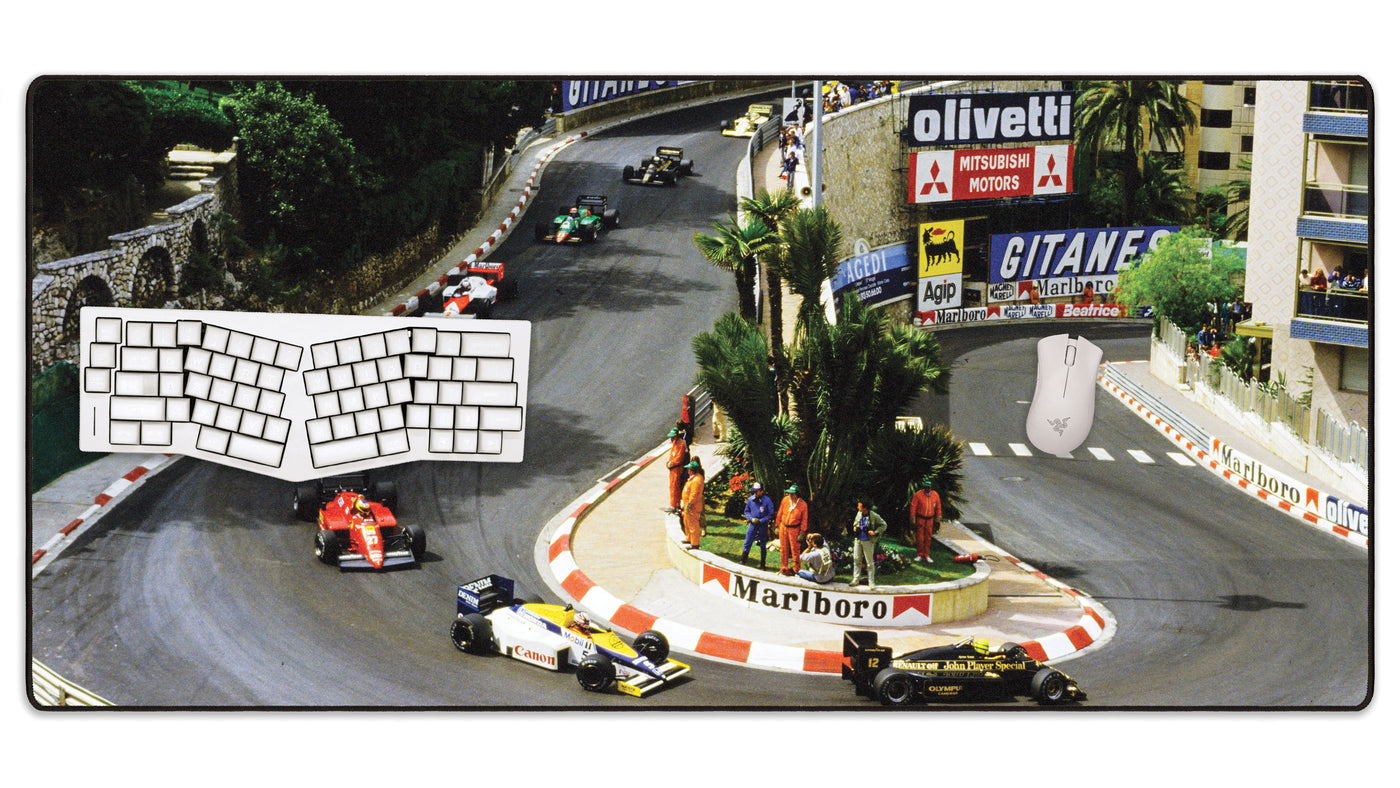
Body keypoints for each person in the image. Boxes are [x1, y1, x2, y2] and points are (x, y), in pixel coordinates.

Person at [848, 499, 887, 587]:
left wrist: (875, 532)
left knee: (869, 563)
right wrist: (855, 527)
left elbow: (884, 525)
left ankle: (871, 581)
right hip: (858, 540)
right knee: (856, 560)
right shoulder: (859, 513)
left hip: (868, 541)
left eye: (860, 506)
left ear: (865, 508)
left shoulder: (874, 516)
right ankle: (856, 579)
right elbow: (855, 523)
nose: (858, 507)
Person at [775, 484, 808, 576]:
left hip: (794, 529)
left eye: (793, 494)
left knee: (795, 549)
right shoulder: (785, 500)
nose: (790, 495)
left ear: (797, 494)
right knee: (783, 548)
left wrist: (802, 532)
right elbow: (780, 512)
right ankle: (784, 567)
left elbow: (804, 519)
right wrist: (777, 525)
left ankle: (797, 570)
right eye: (789, 493)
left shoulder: (803, 505)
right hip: (783, 527)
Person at [741, 482, 776, 568]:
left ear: (762, 491)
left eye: (757, 491)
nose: (755, 493)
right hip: (753, 524)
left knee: (763, 544)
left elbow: (771, 514)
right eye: (754, 491)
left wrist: (761, 520)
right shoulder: (750, 500)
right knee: (747, 542)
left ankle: (762, 564)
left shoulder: (767, 501)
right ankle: (743, 560)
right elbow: (746, 511)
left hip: (762, 525)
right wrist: (750, 518)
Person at [909, 479, 942, 563]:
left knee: (928, 537)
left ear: (931, 487)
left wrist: (938, 519)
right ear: (924, 487)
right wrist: (913, 519)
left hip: (930, 519)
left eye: (929, 487)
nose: (928, 489)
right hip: (921, 518)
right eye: (926, 487)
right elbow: (913, 507)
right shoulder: (918, 495)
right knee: (920, 537)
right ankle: (919, 554)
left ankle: (926, 554)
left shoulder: (935, 495)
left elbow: (938, 507)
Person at [680, 460, 705, 549]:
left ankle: (695, 543)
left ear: (691, 470)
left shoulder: (697, 480)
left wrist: (689, 504)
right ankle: (689, 538)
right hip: (688, 505)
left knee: (693, 524)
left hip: (692, 506)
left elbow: (694, 494)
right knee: (687, 522)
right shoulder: (693, 478)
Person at [663, 428, 689, 513]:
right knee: (673, 486)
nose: (672, 438)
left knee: (675, 487)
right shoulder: (675, 443)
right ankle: (675, 504)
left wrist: (672, 463)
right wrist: (668, 462)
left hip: (677, 468)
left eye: (673, 437)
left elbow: (679, 458)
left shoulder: (681, 444)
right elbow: (672, 455)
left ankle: (674, 505)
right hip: (673, 468)